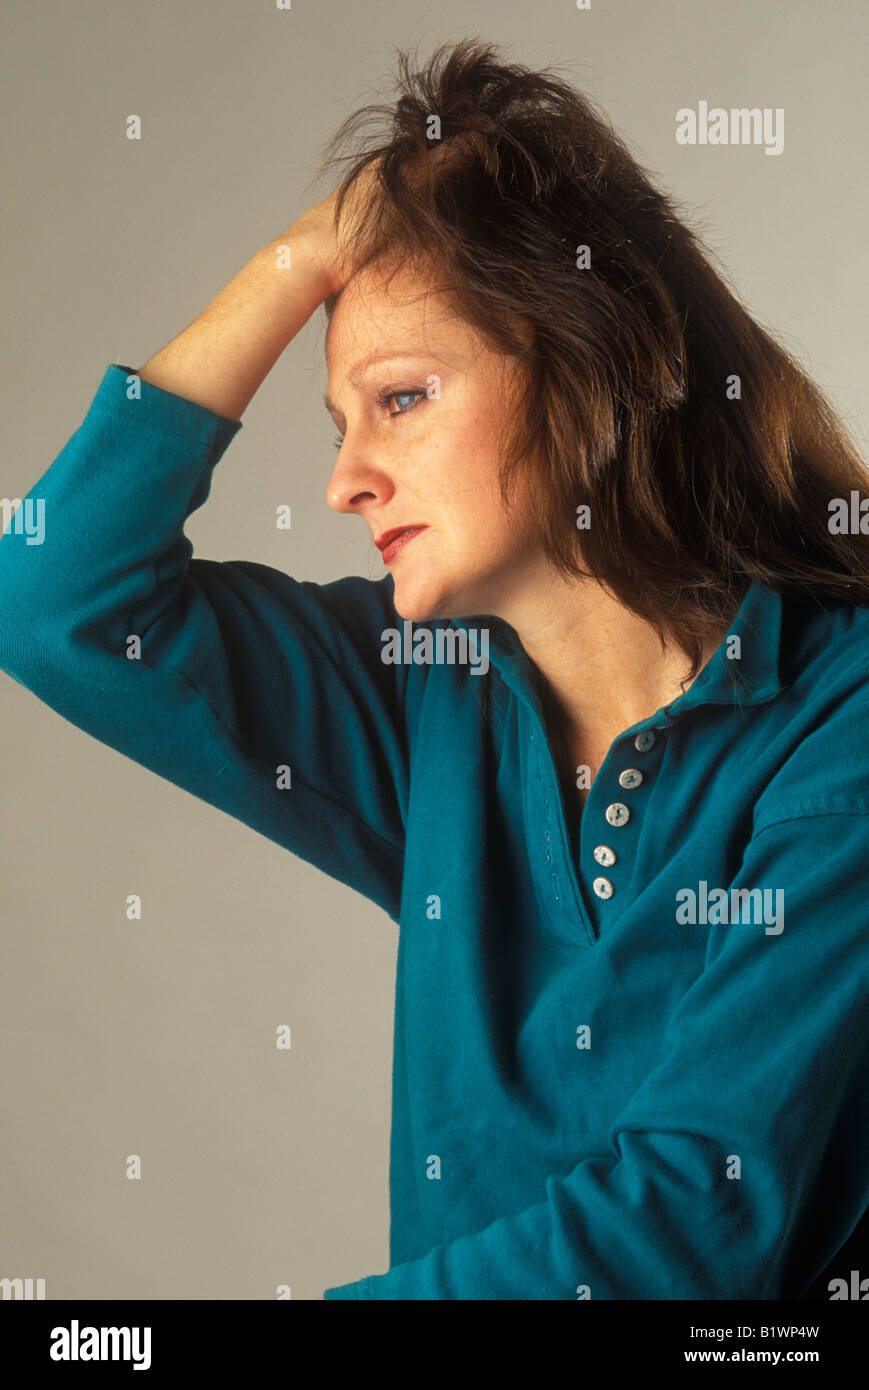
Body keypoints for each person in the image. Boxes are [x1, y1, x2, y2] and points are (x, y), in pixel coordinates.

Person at [2, 37, 868, 1301]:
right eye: (340, 422)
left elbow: (685, 1229)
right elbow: (54, 598)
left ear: (597, 364)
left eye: (399, 399)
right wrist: (300, 262)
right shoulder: (421, 687)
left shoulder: (838, 726)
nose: (344, 480)